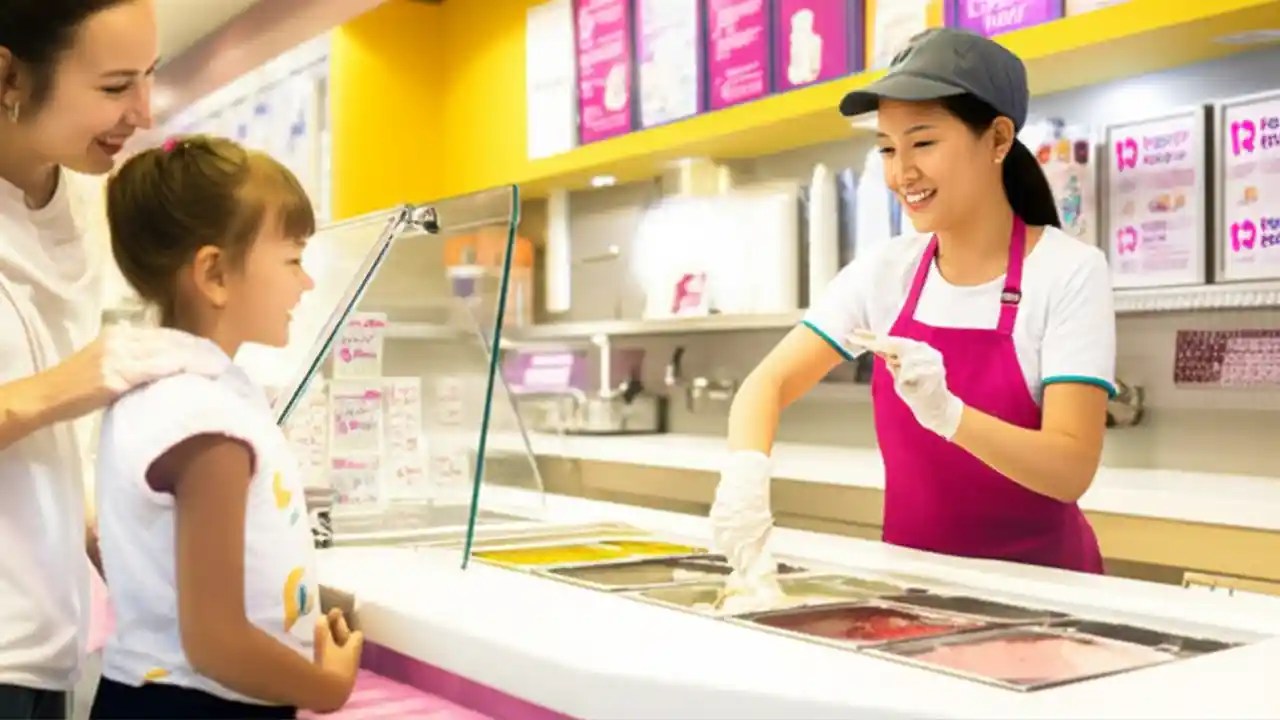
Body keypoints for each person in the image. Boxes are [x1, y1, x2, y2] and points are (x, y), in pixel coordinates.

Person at [711, 27, 1116, 595]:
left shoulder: (1070, 271)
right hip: (911, 592)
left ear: (998, 137)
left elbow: (1071, 469)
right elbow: (768, 382)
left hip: (1046, 599)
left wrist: (950, 416)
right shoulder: (886, 273)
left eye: (923, 143)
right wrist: (745, 479)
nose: (902, 173)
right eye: (886, 148)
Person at [0, 2, 228, 717]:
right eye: (114, 87)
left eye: (149, 78)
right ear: (7, 75)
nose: (144, 113)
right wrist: (62, 388)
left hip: (48, 645)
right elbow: (42, 394)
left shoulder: (82, 206)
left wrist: (102, 520)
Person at [87, 135, 364, 719]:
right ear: (214, 273)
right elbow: (215, 642)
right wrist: (328, 688)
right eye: (292, 259)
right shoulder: (203, 419)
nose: (306, 283)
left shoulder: (163, 389)